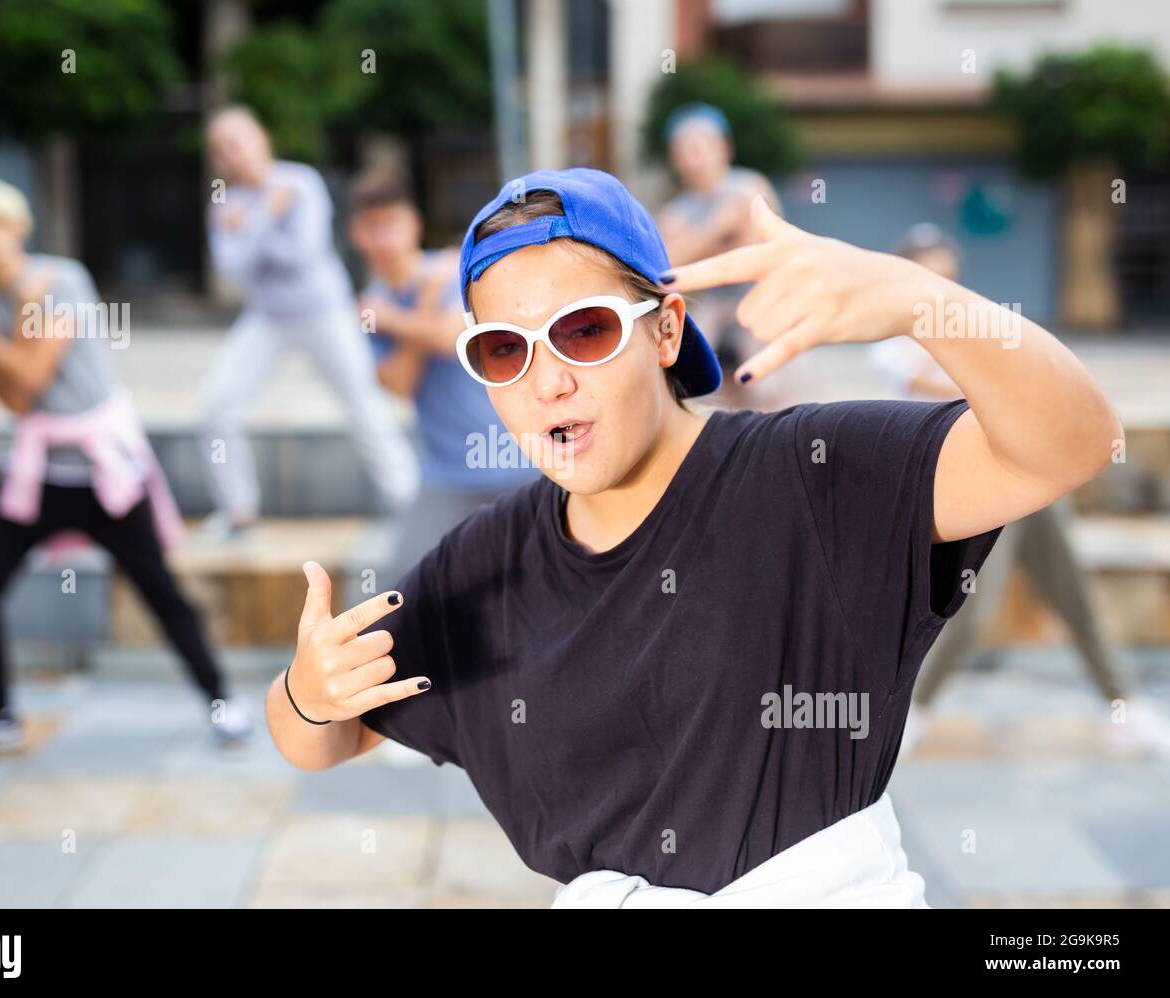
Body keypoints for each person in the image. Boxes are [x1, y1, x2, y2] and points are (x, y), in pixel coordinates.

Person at [265, 168, 1120, 907]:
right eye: (503, 350)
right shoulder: (484, 566)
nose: (549, 380)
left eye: (585, 329)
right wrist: (308, 691)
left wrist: (921, 302)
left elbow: (1069, 445)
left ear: (666, 328)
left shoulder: (807, 475)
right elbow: (319, 738)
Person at [0, 177, 250, 758]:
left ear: (17, 228)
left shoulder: (63, 282)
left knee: (159, 589)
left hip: (104, 472)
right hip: (38, 470)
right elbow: (14, 401)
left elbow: (32, 375)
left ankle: (220, 700)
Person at [870, 224, 1170, 761]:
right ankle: (911, 711)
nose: (940, 285)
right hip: (975, 486)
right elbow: (948, 386)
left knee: (1073, 593)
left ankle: (1121, 704)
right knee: (974, 611)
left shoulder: (975, 328)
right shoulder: (897, 341)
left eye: (947, 274)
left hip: (1028, 474)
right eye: (927, 274)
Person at [199, 106, 419, 540]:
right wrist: (266, 218)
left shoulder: (300, 182)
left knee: (364, 404)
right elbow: (233, 268)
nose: (232, 153)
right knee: (216, 408)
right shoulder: (224, 200)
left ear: (261, 137)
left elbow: (303, 252)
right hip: (265, 316)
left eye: (237, 140)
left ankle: (409, 505)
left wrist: (252, 226)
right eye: (221, 148)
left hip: (324, 312)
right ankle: (237, 512)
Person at [347, 173, 540, 588]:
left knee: (540, 584)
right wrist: (424, 309)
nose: (383, 238)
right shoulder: (375, 304)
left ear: (413, 223)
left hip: (519, 458)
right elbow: (398, 383)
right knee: (400, 587)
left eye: (391, 224)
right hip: (448, 472)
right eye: (372, 227)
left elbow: (457, 339)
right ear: (356, 235)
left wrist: (396, 319)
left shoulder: (456, 270)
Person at [657, 102, 794, 410]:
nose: (695, 158)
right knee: (710, 403)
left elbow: (756, 251)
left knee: (772, 405)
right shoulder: (675, 211)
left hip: (760, 312)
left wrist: (698, 245)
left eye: (702, 146)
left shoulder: (750, 186)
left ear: (725, 148)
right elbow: (672, 268)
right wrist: (721, 229)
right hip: (710, 318)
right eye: (685, 150)